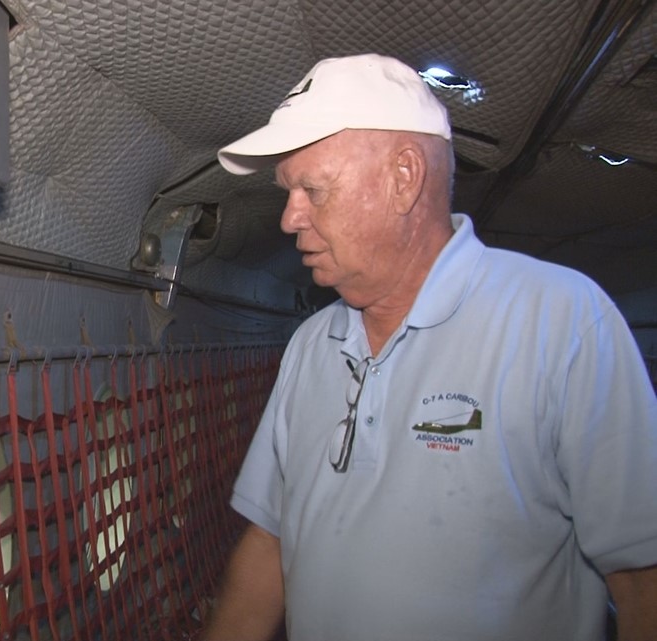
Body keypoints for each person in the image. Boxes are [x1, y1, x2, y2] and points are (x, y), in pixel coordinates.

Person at [203, 53, 657, 641]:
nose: (290, 219)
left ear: (404, 177)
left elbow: (643, 577)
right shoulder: (312, 345)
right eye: (288, 193)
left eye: (312, 189)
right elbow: (271, 542)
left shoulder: (560, 321)